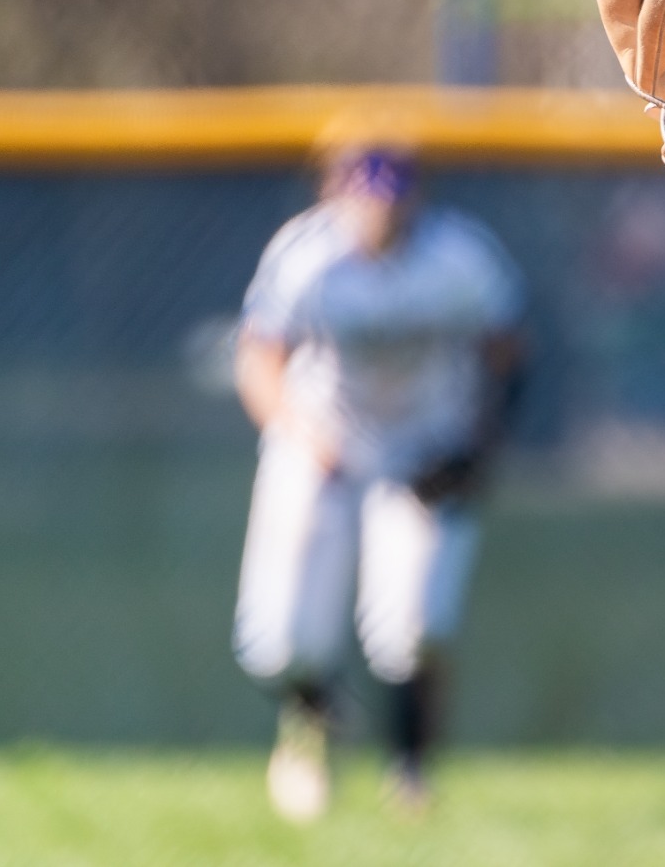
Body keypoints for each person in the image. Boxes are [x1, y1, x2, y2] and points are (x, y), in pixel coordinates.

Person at [230, 126, 524, 821]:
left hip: (424, 443)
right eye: (364, 195)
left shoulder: (459, 256)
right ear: (333, 192)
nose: (379, 212)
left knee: (415, 621)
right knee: (277, 637)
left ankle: (410, 772)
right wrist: (298, 434)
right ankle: (311, 721)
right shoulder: (308, 254)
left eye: (391, 195)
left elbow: (509, 351)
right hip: (322, 440)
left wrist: (477, 448)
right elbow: (258, 356)